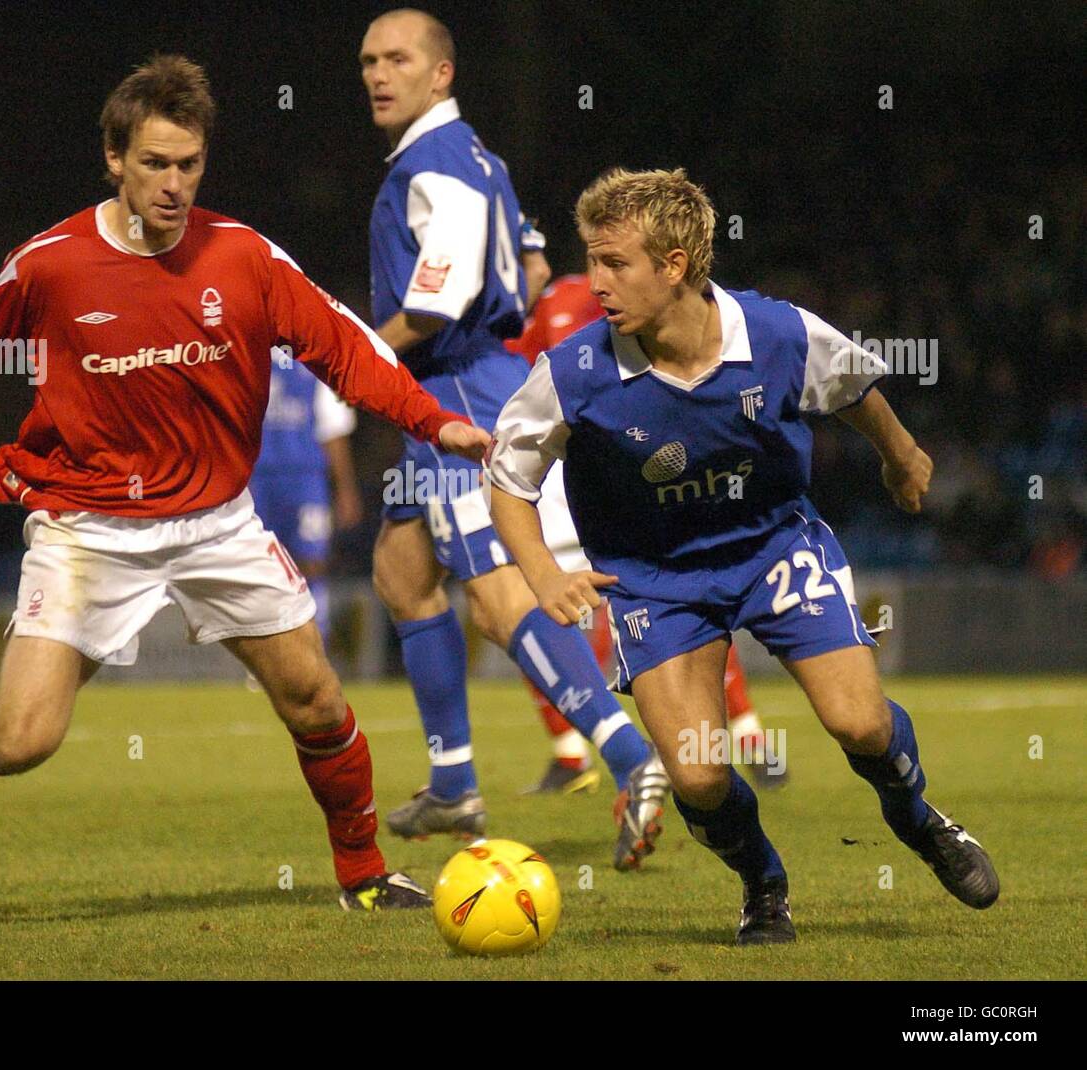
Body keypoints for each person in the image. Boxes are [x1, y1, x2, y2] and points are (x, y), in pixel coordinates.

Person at [0, 54, 490, 913]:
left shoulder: (241, 257)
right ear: (114, 159)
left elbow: (345, 347)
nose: (172, 184)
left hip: (216, 525)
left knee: (315, 700)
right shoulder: (51, 264)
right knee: (23, 740)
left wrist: (434, 420)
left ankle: (363, 876)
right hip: (87, 529)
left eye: (187, 165)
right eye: (154, 163)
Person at [487, 167, 998, 944]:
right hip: (656, 581)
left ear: (675, 265)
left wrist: (902, 457)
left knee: (859, 723)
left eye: (614, 263)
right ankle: (762, 881)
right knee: (696, 774)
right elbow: (507, 480)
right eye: (590, 260)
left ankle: (921, 821)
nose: (594, 283)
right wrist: (543, 575)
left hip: (773, 547)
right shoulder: (575, 371)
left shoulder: (779, 333)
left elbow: (854, 387)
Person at [360, 8, 669, 871]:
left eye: (398, 60)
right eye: (369, 62)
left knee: (498, 599)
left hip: (453, 388)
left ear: (441, 73)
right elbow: (532, 266)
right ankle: (454, 780)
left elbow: (439, 299)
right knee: (401, 568)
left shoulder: (433, 169)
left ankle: (630, 757)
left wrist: (352, 354)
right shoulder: (480, 161)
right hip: (463, 382)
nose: (379, 75)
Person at [509, 274, 788, 790]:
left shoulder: (668, 301)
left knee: (695, 600)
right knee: (536, 607)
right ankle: (575, 752)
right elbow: (522, 381)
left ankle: (742, 736)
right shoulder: (547, 310)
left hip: (652, 474)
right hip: (567, 481)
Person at [248, 349, 363, 639]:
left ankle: (316, 639)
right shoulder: (244, 348)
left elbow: (333, 430)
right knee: (256, 566)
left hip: (305, 476)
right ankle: (266, 646)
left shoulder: (313, 353)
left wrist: (345, 490)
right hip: (254, 477)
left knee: (311, 561)